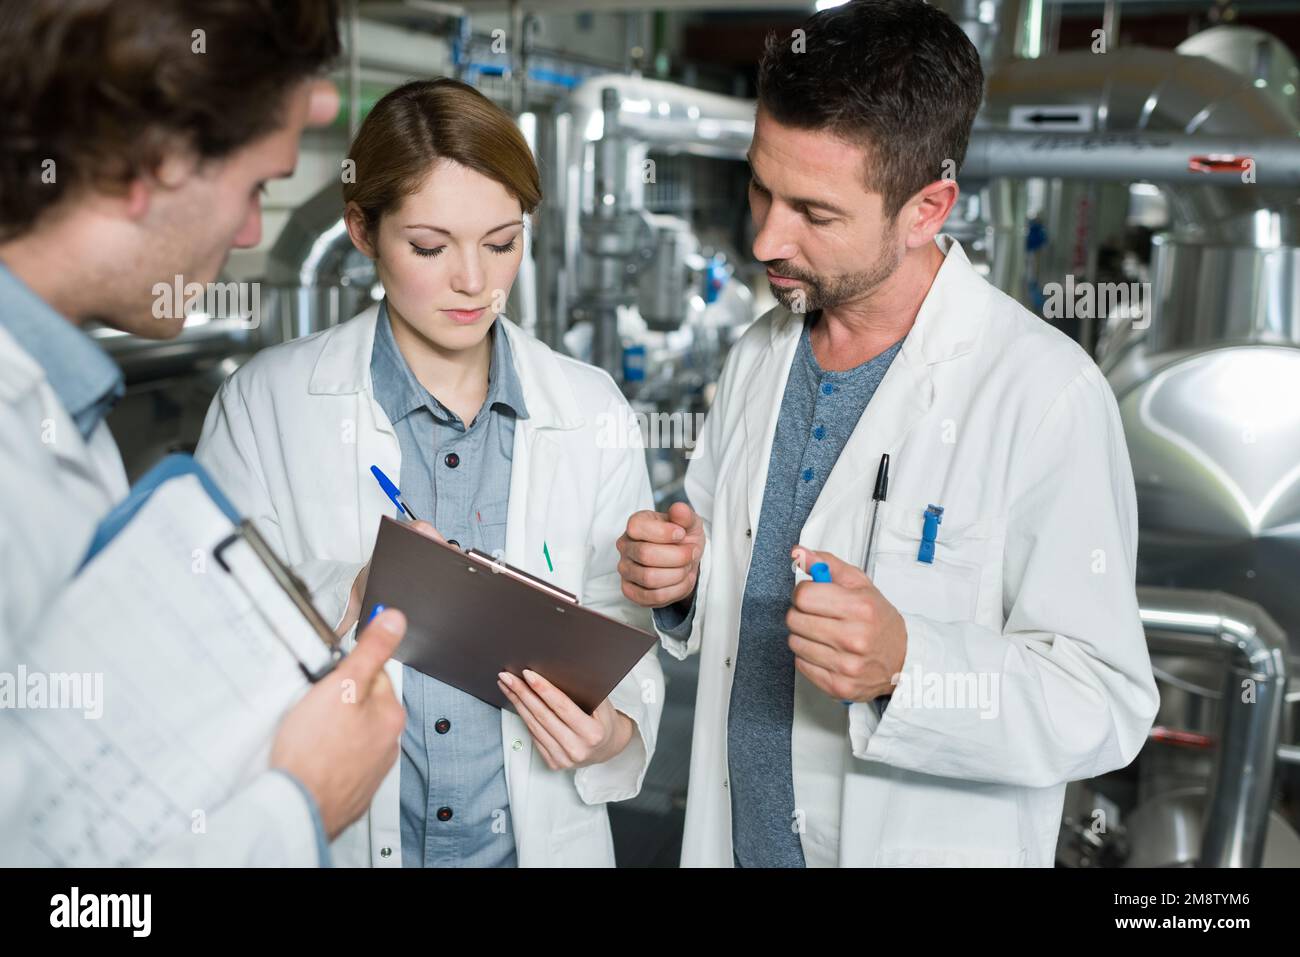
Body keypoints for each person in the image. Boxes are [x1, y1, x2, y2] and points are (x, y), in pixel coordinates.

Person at [616, 0, 1159, 867]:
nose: (765, 238)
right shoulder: (761, 352)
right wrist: (680, 580)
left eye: (814, 212)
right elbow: (731, 570)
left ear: (926, 207)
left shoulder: (1042, 393)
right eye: (761, 186)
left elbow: (1103, 702)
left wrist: (910, 665)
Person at [195, 78, 664, 867]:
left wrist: (611, 729)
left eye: (502, 241)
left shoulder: (588, 407)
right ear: (361, 230)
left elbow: (624, 634)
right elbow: (205, 636)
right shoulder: (266, 404)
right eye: (430, 246)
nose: (475, 282)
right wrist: (346, 590)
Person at [0, 0, 408, 866]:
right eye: (257, 186)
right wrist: (297, 806)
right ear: (153, 162)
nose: (254, 230)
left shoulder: (60, 421)